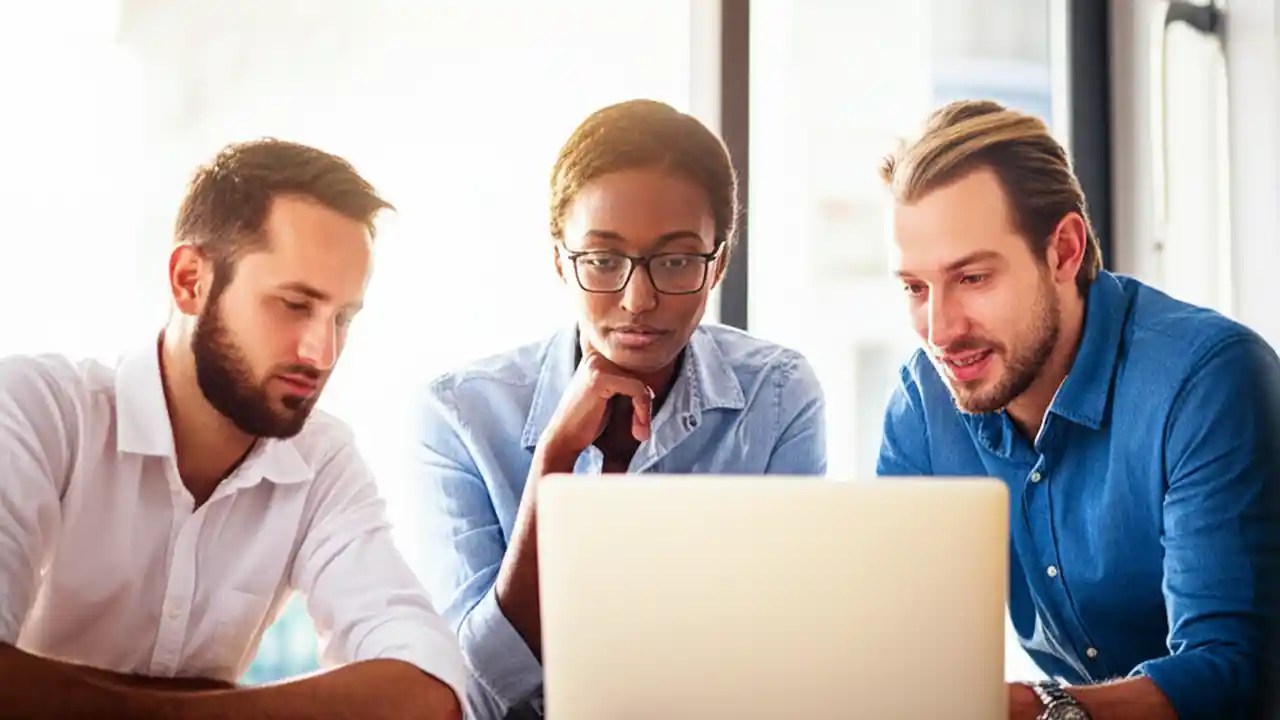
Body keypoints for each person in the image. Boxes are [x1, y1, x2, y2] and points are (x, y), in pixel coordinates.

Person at [0, 139, 465, 719]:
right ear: (190, 280)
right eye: (295, 304)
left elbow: (428, 688)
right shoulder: (37, 411)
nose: (321, 353)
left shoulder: (323, 461)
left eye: (343, 318)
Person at [409, 99, 827, 719]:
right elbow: (472, 692)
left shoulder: (777, 392)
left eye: (677, 260)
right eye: (602, 261)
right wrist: (554, 460)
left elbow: (790, 649)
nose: (639, 299)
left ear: (719, 262)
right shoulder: (460, 413)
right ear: (560, 260)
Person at [876, 99, 1280, 720]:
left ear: (1064, 250)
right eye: (915, 288)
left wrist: (1045, 713)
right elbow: (905, 653)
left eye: (974, 278)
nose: (941, 329)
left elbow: (1236, 673)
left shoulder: (1208, 379)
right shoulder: (921, 400)